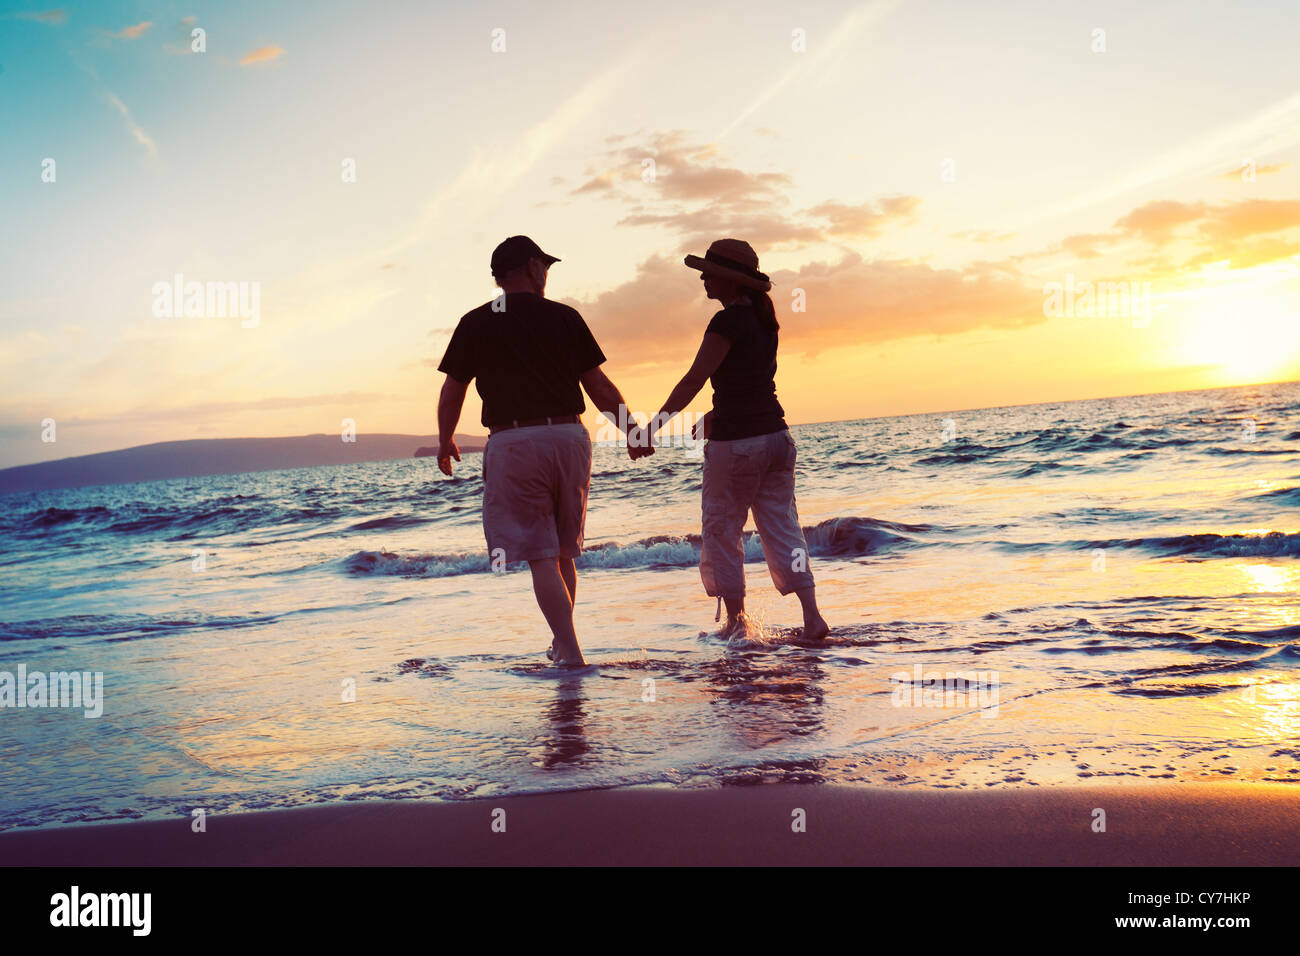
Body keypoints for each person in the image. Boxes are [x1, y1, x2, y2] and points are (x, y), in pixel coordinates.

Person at [436, 236, 652, 667]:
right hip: (570, 438)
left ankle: (570, 651)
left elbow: (453, 389)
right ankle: (564, 643)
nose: (547, 276)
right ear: (532, 268)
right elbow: (597, 385)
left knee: (541, 555)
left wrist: (445, 440)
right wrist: (631, 430)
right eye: (545, 268)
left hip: (515, 442)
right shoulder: (564, 316)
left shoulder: (476, 322)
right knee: (564, 551)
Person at [648, 238, 829, 643]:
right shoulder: (764, 321)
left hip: (738, 446)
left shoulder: (726, 322)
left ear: (730, 280)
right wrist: (717, 412)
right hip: (777, 439)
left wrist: (651, 428)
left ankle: (736, 622)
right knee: (784, 528)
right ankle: (813, 618)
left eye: (708, 273)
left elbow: (695, 378)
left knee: (722, 530)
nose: (702, 278)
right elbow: (752, 381)